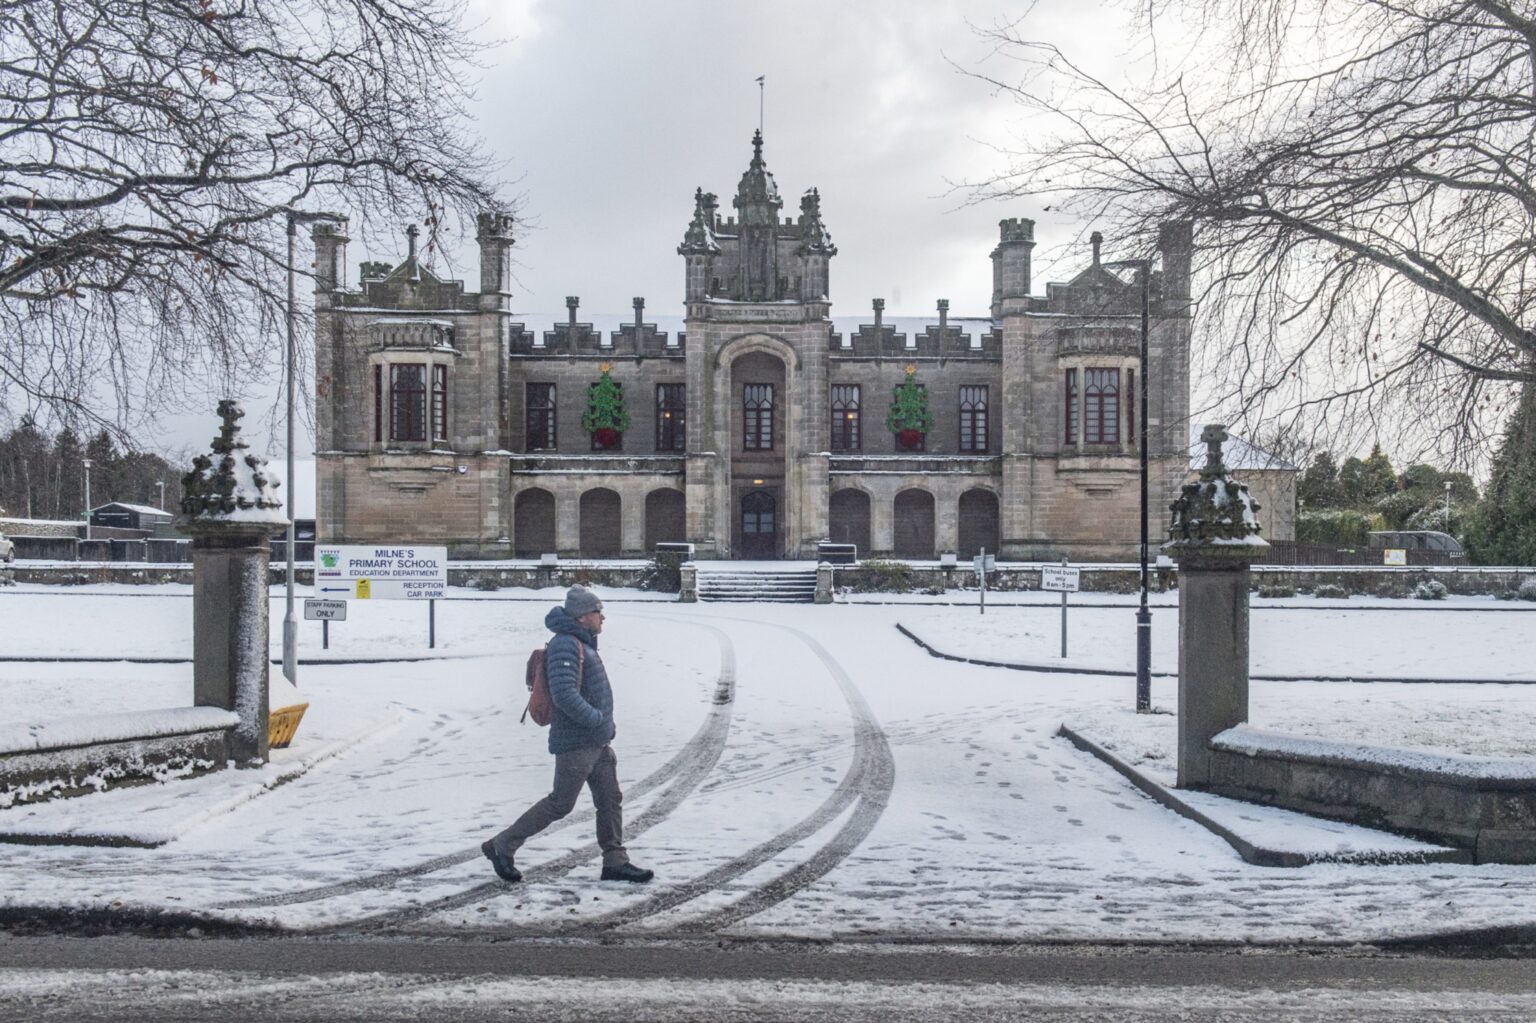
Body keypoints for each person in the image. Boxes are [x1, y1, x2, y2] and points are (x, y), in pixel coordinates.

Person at [482, 585, 654, 884]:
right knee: (560, 803)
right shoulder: (565, 645)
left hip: (597, 742)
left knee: (610, 800)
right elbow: (564, 694)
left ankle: (615, 862)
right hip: (577, 742)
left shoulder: (582, 643)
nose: (603, 617)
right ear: (582, 617)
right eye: (598, 612)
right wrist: (595, 719)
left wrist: (603, 726)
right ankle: (502, 845)